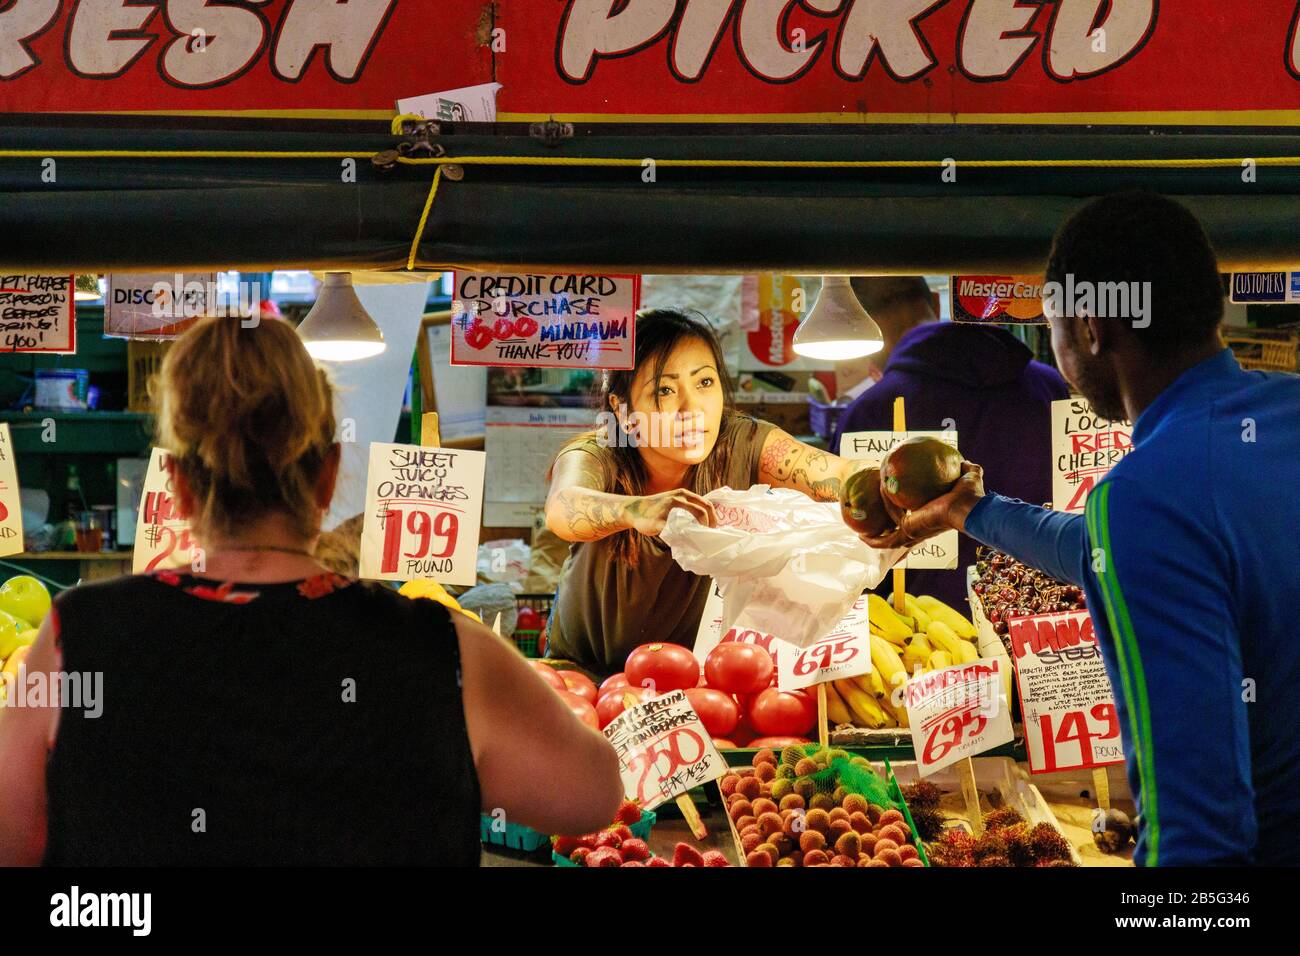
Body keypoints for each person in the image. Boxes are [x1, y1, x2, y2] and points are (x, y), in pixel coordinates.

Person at [0, 316, 621, 866]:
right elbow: (594, 795)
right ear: (327, 477)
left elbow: (10, 838)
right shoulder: (446, 648)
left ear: (180, 488)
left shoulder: (75, 635)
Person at [863, 193, 1300, 866]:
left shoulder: (1148, 499)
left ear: (1091, 328)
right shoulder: (1277, 415)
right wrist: (969, 510)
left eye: (1055, 324)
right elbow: (1112, 549)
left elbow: (1197, 825)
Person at [545, 308, 870, 675]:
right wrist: (636, 510)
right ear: (622, 410)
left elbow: (836, 473)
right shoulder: (600, 452)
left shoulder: (743, 441)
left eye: (704, 383)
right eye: (664, 390)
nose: (692, 409)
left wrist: (885, 481)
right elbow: (563, 506)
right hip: (582, 681)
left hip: (699, 687)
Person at [832, 277, 1068, 607]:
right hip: (1046, 623)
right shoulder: (1048, 385)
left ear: (857, 327)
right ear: (933, 299)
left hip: (920, 639)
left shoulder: (866, 411)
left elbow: (853, 544)